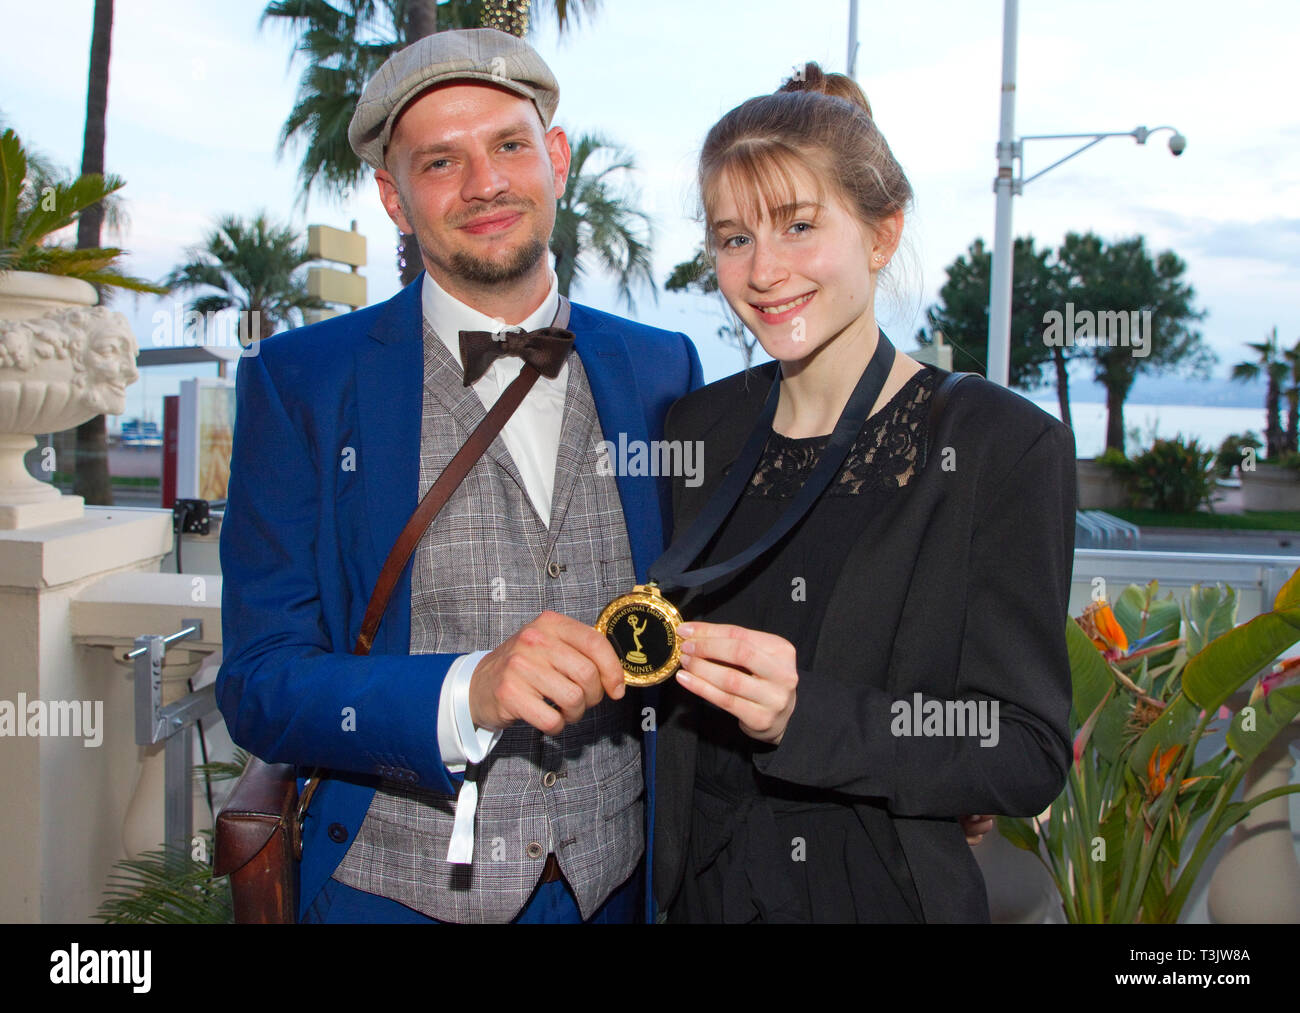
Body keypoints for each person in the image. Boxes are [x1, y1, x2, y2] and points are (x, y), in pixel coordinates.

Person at [215, 28, 702, 924]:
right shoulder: (302, 382)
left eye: (510, 145)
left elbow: (713, 603)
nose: (485, 183)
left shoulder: (663, 366)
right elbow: (259, 681)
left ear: (556, 158)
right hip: (390, 890)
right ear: (394, 198)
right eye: (440, 162)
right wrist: (465, 689)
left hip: (620, 882)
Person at [652, 63, 1076, 923]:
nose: (763, 270)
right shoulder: (694, 429)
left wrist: (806, 715)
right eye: (734, 238)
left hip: (881, 892)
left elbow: (1024, 748)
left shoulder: (999, 443)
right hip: (696, 893)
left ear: (882, 235)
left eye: (798, 226)